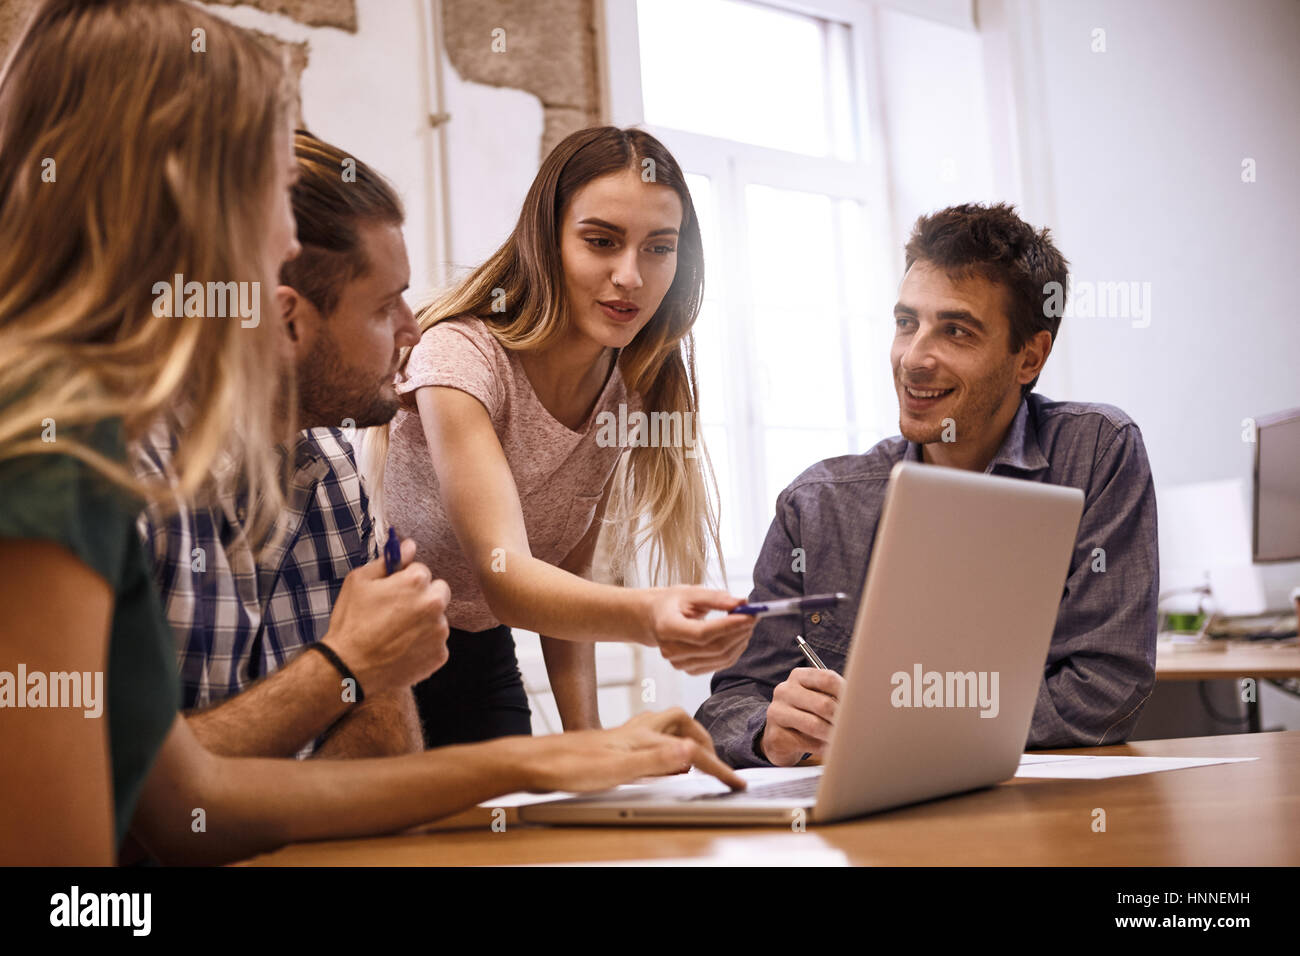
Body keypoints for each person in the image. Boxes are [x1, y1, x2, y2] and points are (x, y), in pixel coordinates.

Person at [0, 0, 740, 867]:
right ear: (186, 204)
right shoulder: (50, 450)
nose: (284, 237)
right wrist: (376, 685)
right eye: (275, 191)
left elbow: (181, 798)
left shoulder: (102, 429)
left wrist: (544, 759)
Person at [696, 202, 1159, 768]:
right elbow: (730, 703)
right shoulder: (815, 506)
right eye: (906, 323)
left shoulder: (1096, 453)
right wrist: (769, 731)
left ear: (1029, 358)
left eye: (956, 330)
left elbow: (1106, 688)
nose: (913, 359)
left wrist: (896, 728)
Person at [367, 126, 756, 747]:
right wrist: (650, 615)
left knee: (530, 833)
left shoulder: (627, 386)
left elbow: (569, 567)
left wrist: (590, 742)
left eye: (659, 248)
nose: (630, 275)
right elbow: (509, 578)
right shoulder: (462, 359)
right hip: (373, 653)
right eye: (601, 241)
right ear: (546, 240)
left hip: (478, 651)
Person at [133, 130, 430, 759]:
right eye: (384, 308)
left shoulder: (337, 465)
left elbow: (379, 753)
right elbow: (119, 799)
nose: (412, 327)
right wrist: (345, 667)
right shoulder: (129, 479)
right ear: (287, 321)